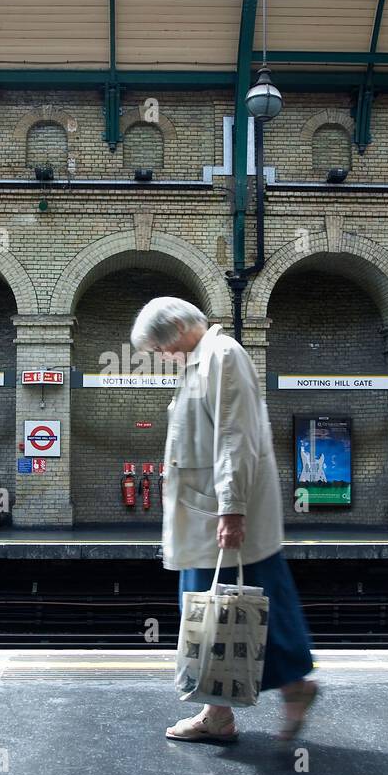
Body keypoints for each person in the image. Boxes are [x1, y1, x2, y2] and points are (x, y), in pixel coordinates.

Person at [132, 296, 317, 743]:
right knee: (216, 615)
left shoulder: (223, 356)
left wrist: (232, 509)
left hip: (219, 518)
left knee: (235, 609)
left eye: (160, 348)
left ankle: (283, 691)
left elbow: (236, 437)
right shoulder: (201, 361)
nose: (161, 358)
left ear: (178, 326)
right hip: (204, 517)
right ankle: (223, 712)